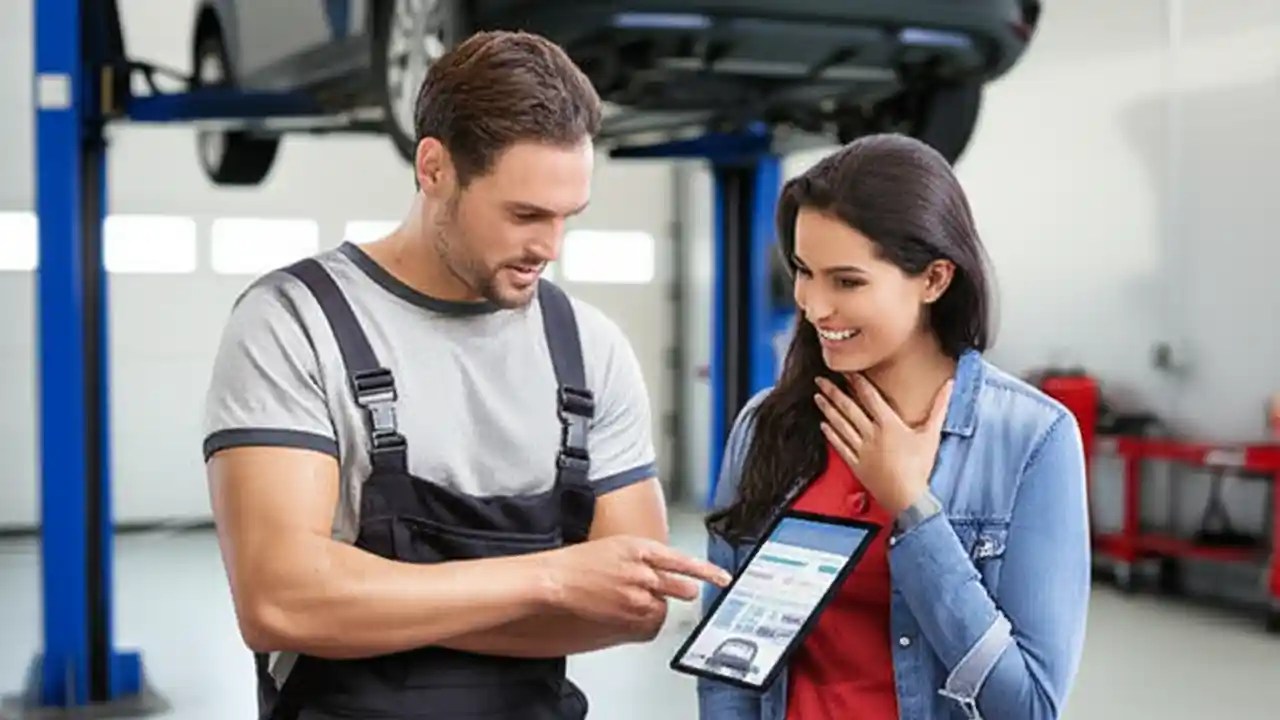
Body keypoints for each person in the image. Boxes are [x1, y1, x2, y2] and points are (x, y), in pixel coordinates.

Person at [202, 30, 730, 720]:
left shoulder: (590, 351)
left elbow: (635, 608)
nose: (550, 247)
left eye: (568, 216)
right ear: (433, 169)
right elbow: (280, 599)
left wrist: (373, 605)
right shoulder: (293, 325)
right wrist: (554, 578)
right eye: (524, 214)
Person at [698, 134, 1090, 720]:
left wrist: (912, 507)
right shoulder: (766, 427)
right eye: (805, 271)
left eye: (847, 281)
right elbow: (726, 672)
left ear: (934, 279)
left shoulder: (1032, 441)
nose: (815, 305)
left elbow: (1028, 706)